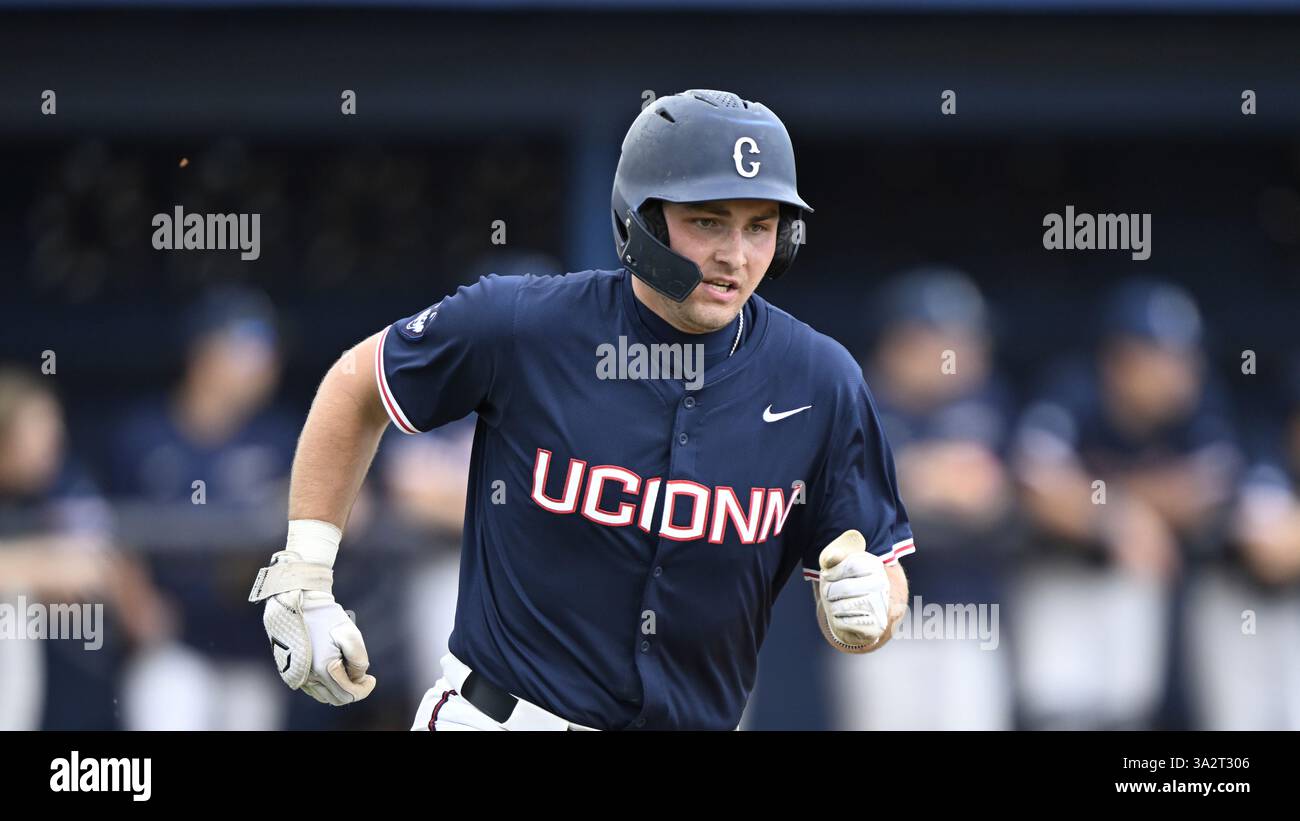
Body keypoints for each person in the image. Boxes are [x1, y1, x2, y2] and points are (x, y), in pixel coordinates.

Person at [249, 89, 916, 731]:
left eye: (760, 227)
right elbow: (355, 383)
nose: (735, 256)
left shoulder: (819, 378)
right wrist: (305, 574)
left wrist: (871, 605)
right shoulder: (522, 325)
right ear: (643, 221)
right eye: (707, 221)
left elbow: (881, 572)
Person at [1010, 279, 1240, 729]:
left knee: (1126, 716)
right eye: (1161, 357)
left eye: (1185, 356)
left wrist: (1109, 500)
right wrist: (1119, 519)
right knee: (1061, 713)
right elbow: (1035, 485)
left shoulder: (1202, 408)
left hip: (1134, 589)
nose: (1179, 372)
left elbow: (1207, 494)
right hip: (1059, 580)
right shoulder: (1073, 391)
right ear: (1120, 359)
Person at [828, 267, 1016, 730]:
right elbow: (847, 498)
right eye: (948, 342)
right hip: (875, 621)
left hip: (970, 615)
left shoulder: (988, 404)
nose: (968, 355)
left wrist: (916, 478)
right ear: (901, 344)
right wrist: (922, 477)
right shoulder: (853, 401)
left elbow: (1001, 495)